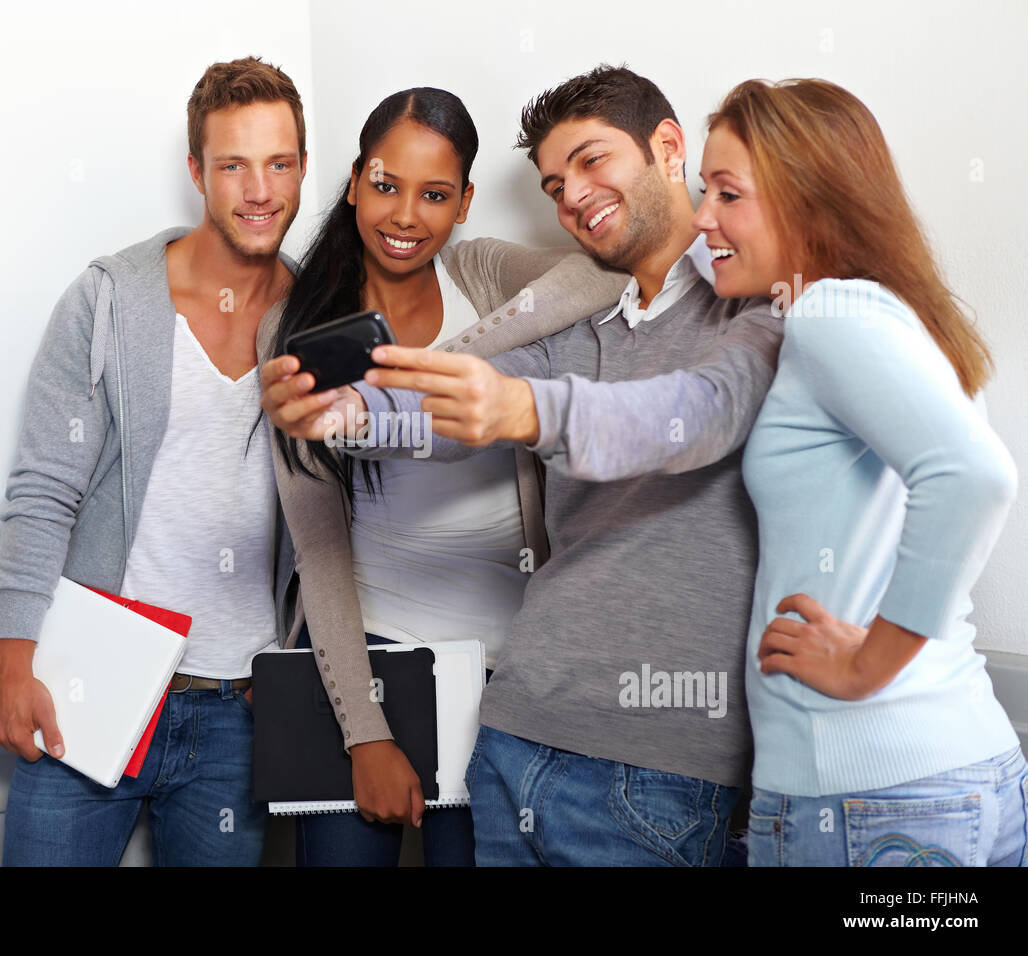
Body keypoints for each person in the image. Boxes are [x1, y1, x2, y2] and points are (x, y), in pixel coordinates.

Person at [268, 65, 783, 866]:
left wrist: (520, 409)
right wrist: (350, 416)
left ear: (667, 147)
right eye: (552, 182)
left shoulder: (761, 313)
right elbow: (452, 419)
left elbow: (693, 413)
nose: (572, 195)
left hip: (652, 765)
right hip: (515, 738)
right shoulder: (576, 332)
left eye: (591, 161)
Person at [257, 87, 626, 866]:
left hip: (507, 670)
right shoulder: (297, 327)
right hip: (369, 658)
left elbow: (604, 278)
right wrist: (366, 733)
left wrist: (440, 369)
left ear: (463, 203)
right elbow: (318, 548)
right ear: (354, 180)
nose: (403, 216)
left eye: (433, 195)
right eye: (386, 185)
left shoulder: (483, 273)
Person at [691, 77, 1026, 867]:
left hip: (868, 802)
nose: (702, 217)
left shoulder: (828, 316)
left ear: (808, 198)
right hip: (938, 777)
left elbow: (976, 477)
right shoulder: (890, 315)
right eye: (701, 189)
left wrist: (866, 662)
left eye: (727, 193)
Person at [0, 56, 306, 866]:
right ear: (198, 171)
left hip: (241, 711)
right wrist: (13, 660)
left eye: (279, 163)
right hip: (89, 687)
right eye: (234, 165)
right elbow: (44, 490)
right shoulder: (108, 300)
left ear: (303, 168)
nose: (259, 190)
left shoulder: (316, 317)